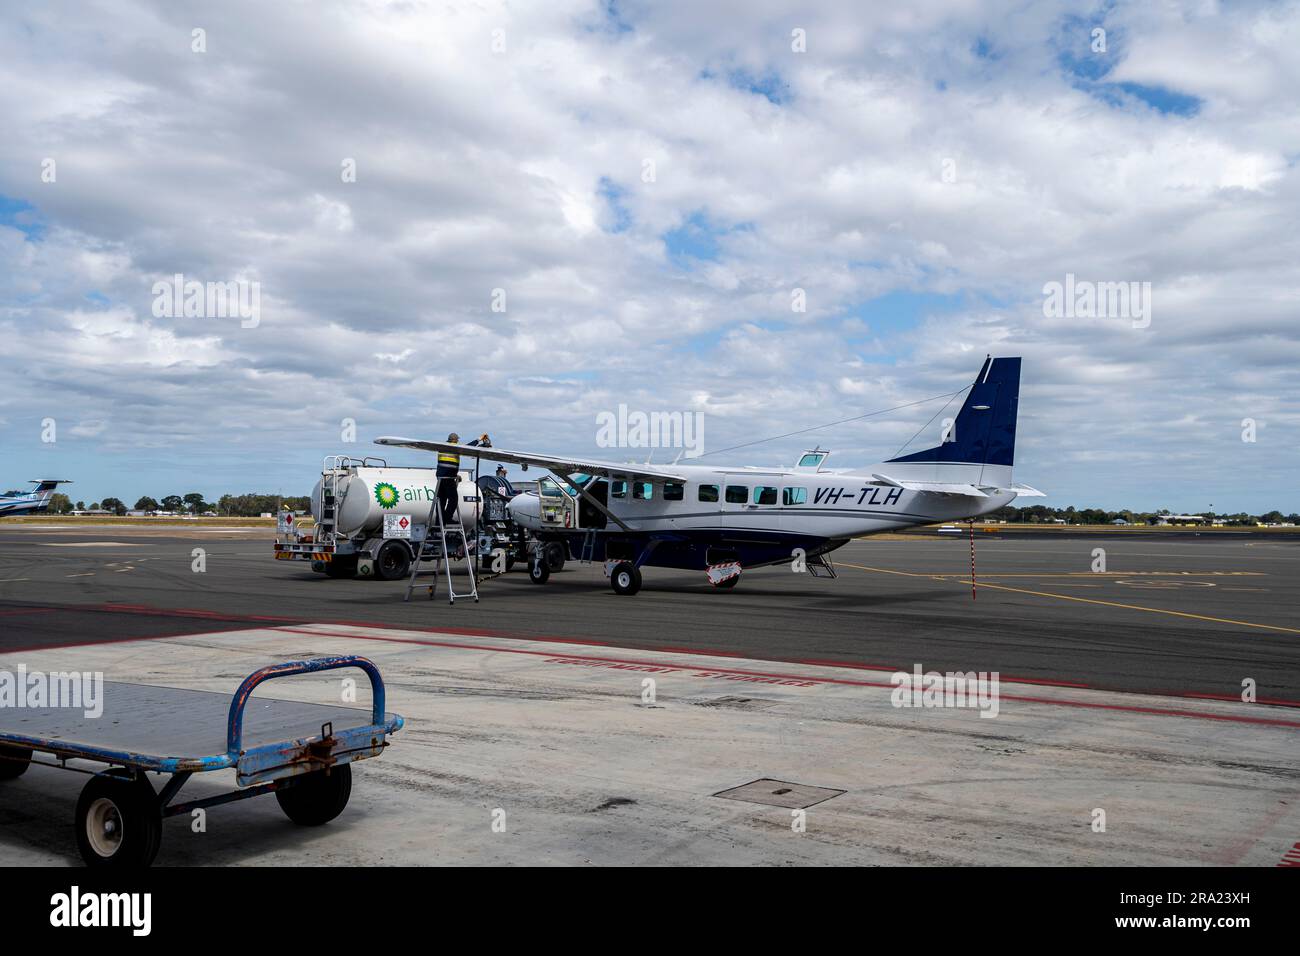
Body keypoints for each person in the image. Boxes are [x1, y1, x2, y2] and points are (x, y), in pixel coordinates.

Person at [436, 432, 461, 526]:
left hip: (440, 477)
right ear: (454, 440)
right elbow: (468, 448)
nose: (458, 441)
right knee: (454, 499)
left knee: (441, 501)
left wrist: (456, 475)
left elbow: (446, 464)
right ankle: (447, 518)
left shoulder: (442, 448)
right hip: (449, 477)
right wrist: (478, 440)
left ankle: (439, 522)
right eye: (457, 440)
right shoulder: (455, 448)